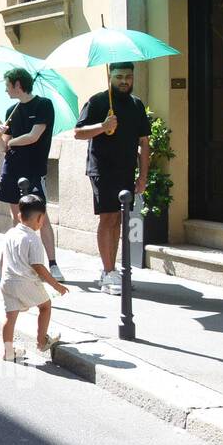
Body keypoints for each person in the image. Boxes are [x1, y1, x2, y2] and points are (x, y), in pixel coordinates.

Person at [75, 62, 151, 295]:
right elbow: (78, 133)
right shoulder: (98, 101)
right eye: (119, 77)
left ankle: (111, 270)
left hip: (126, 170)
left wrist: (143, 176)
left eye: (128, 77)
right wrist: (103, 126)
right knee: (107, 218)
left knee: (118, 220)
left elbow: (144, 143)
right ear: (110, 76)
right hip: (102, 170)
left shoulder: (136, 104)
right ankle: (108, 273)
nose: (124, 81)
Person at [0, 67, 63, 281]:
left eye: (7, 86)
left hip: (33, 169)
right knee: (16, 217)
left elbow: (34, 136)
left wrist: (11, 140)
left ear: (17, 84)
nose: (6, 91)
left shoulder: (43, 105)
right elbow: (4, 148)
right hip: (12, 169)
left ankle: (53, 265)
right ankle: (19, 263)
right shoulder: (11, 111)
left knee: (40, 217)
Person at [0, 195, 68, 362]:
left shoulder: (10, 233)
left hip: (7, 280)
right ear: (40, 218)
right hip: (25, 281)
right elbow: (38, 267)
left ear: (19, 216)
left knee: (10, 317)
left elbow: (2, 258)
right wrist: (56, 285)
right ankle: (42, 341)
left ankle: (8, 352)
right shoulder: (33, 239)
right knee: (45, 306)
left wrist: (2, 277)